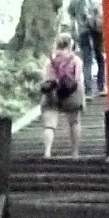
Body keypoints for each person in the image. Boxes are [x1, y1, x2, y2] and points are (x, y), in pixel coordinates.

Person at [40, 28, 84, 156]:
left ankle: (47, 151)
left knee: (49, 125)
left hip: (52, 93)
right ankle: (75, 152)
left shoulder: (50, 60)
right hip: (71, 93)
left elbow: (46, 77)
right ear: (71, 45)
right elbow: (77, 78)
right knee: (74, 122)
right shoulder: (76, 60)